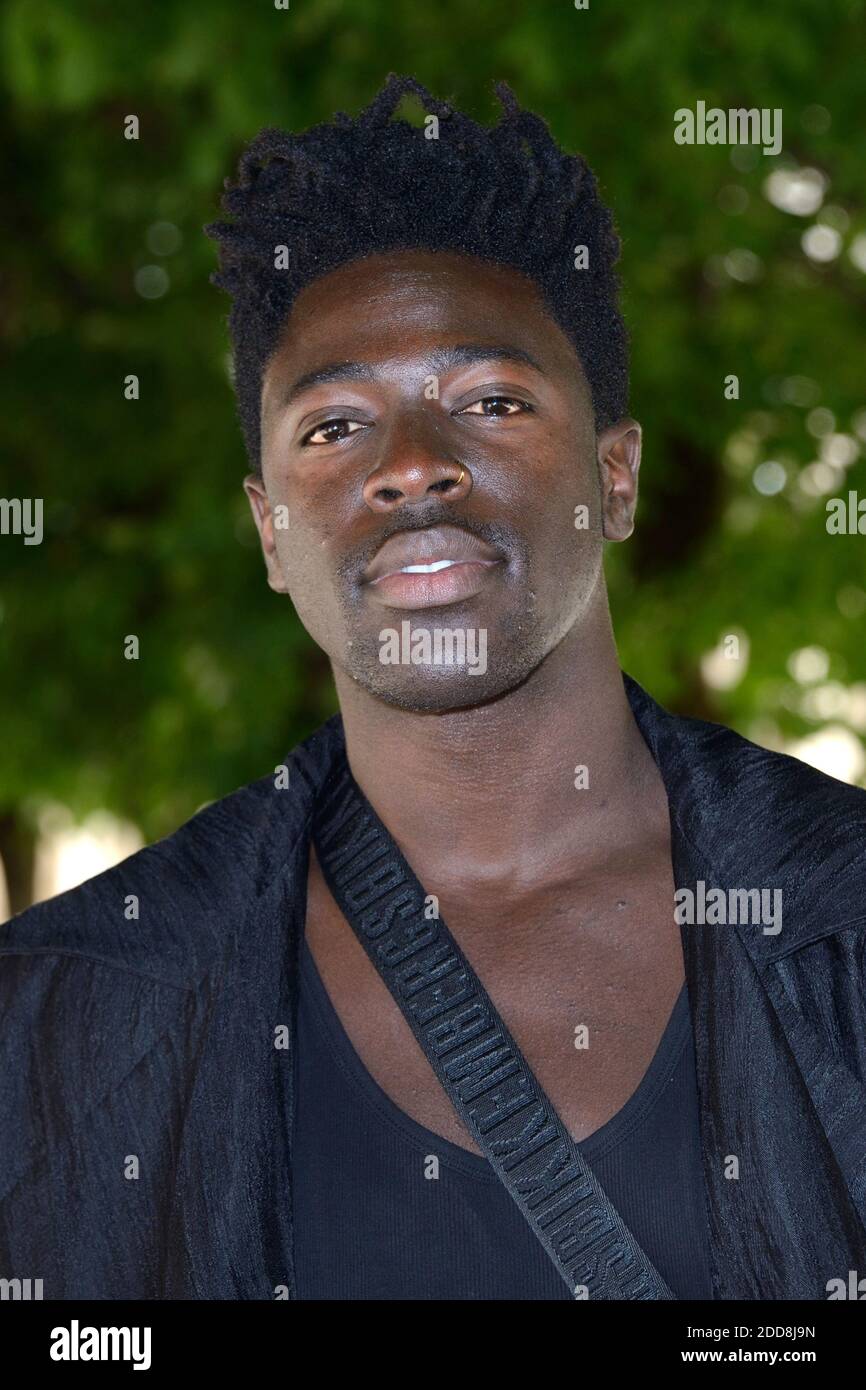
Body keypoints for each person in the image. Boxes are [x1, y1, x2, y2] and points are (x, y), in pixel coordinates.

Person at [1, 75, 864, 1302]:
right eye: (332, 426)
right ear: (266, 531)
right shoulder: (63, 1015)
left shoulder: (840, 922)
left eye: (491, 402)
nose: (412, 466)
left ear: (613, 478)